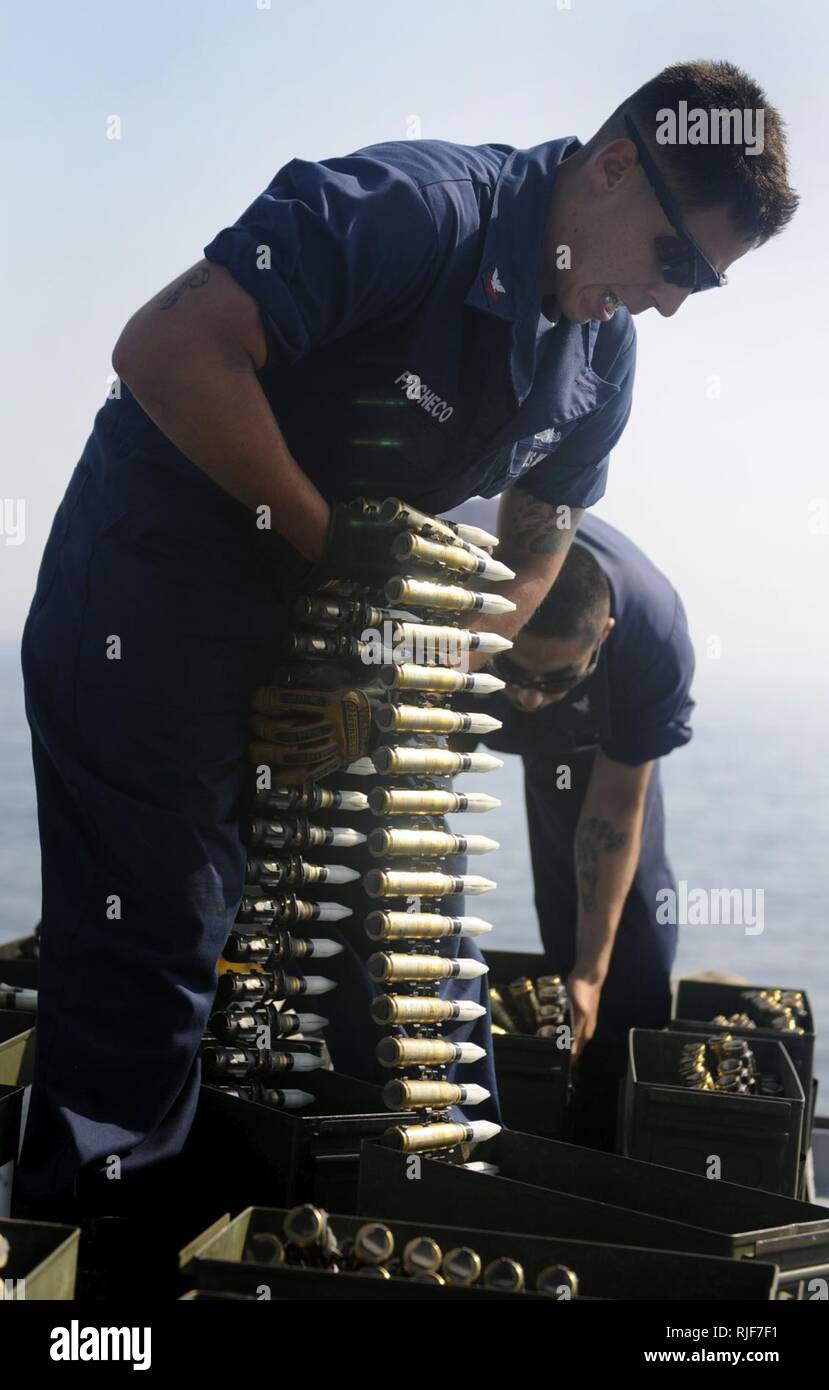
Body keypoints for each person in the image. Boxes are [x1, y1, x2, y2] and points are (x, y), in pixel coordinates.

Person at [16, 60, 795, 1217]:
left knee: (330, 988)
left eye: (702, 288)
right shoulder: (409, 212)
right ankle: (89, 1286)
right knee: (154, 958)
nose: (671, 300)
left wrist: (429, 663)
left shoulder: (600, 355)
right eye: (676, 260)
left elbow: (546, 528)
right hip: (151, 599)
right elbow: (168, 349)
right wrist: (335, 548)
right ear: (617, 164)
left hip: (305, 648)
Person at [448, 506, 695, 1149]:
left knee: (621, 954)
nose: (529, 698)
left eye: (553, 680)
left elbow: (614, 811)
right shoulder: (454, 578)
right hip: (455, 663)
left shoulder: (654, 642)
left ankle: (599, 1133)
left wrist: (589, 971)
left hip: (583, 747)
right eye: (520, 675)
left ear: (603, 635)